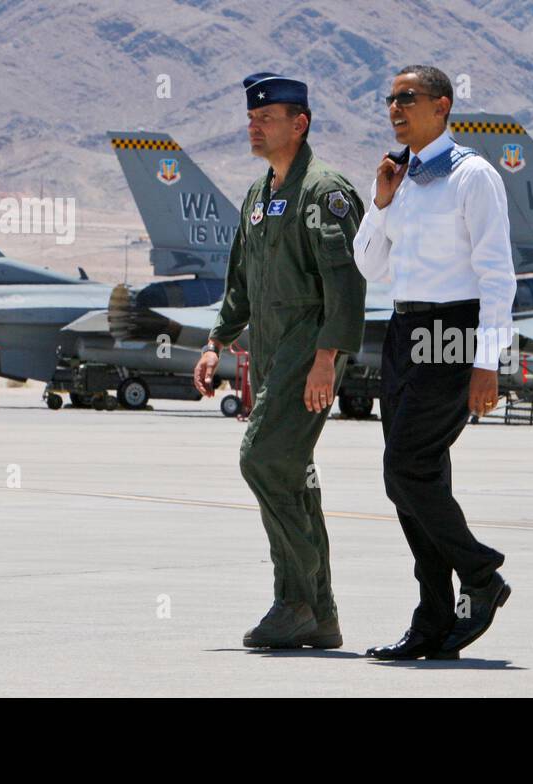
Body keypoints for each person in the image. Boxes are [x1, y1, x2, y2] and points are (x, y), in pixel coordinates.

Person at [194, 72, 367, 648]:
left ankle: (293, 601)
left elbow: (346, 284)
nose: (254, 127)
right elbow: (242, 279)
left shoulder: (325, 192)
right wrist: (216, 340)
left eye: (265, 119)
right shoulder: (259, 194)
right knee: (294, 476)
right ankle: (321, 613)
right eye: (251, 119)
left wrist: (327, 359)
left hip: (309, 349)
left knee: (263, 460)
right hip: (270, 352)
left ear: (300, 123)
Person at [353, 65, 518, 660]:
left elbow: (498, 275)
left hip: (453, 330)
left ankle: (480, 574)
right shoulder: (403, 178)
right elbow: (370, 265)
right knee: (412, 479)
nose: (395, 108)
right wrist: (380, 201)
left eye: (408, 98)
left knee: (406, 465)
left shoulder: (473, 176)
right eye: (390, 98)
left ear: (442, 105)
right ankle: (433, 618)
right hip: (402, 329)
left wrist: (487, 363)